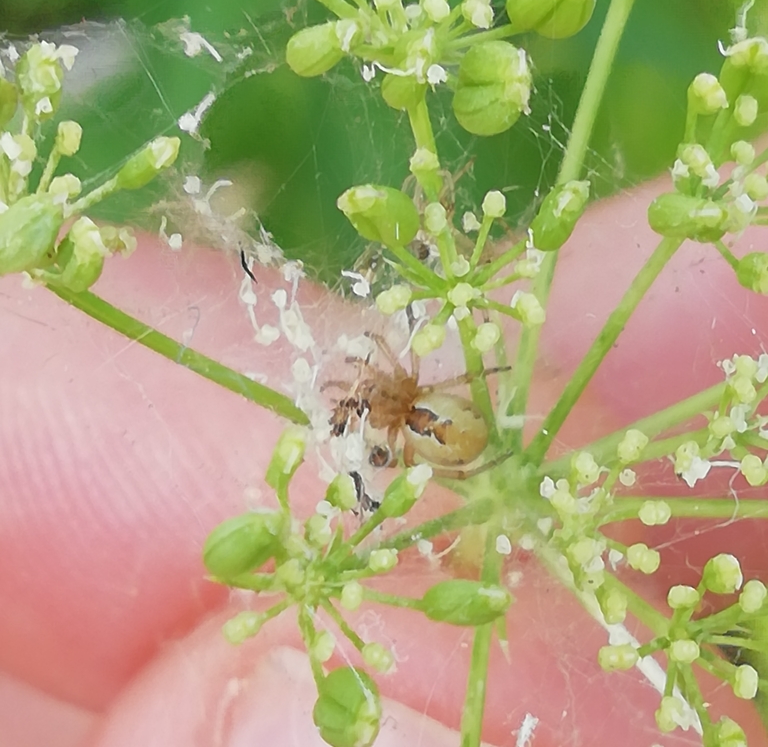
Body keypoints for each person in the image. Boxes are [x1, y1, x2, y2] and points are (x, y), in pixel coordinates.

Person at [1, 176, 767, 746]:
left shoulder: (406, 402)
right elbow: (397, 419)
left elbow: (409, 396)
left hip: (450, 435)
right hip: (441, 438)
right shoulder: (400, 414)